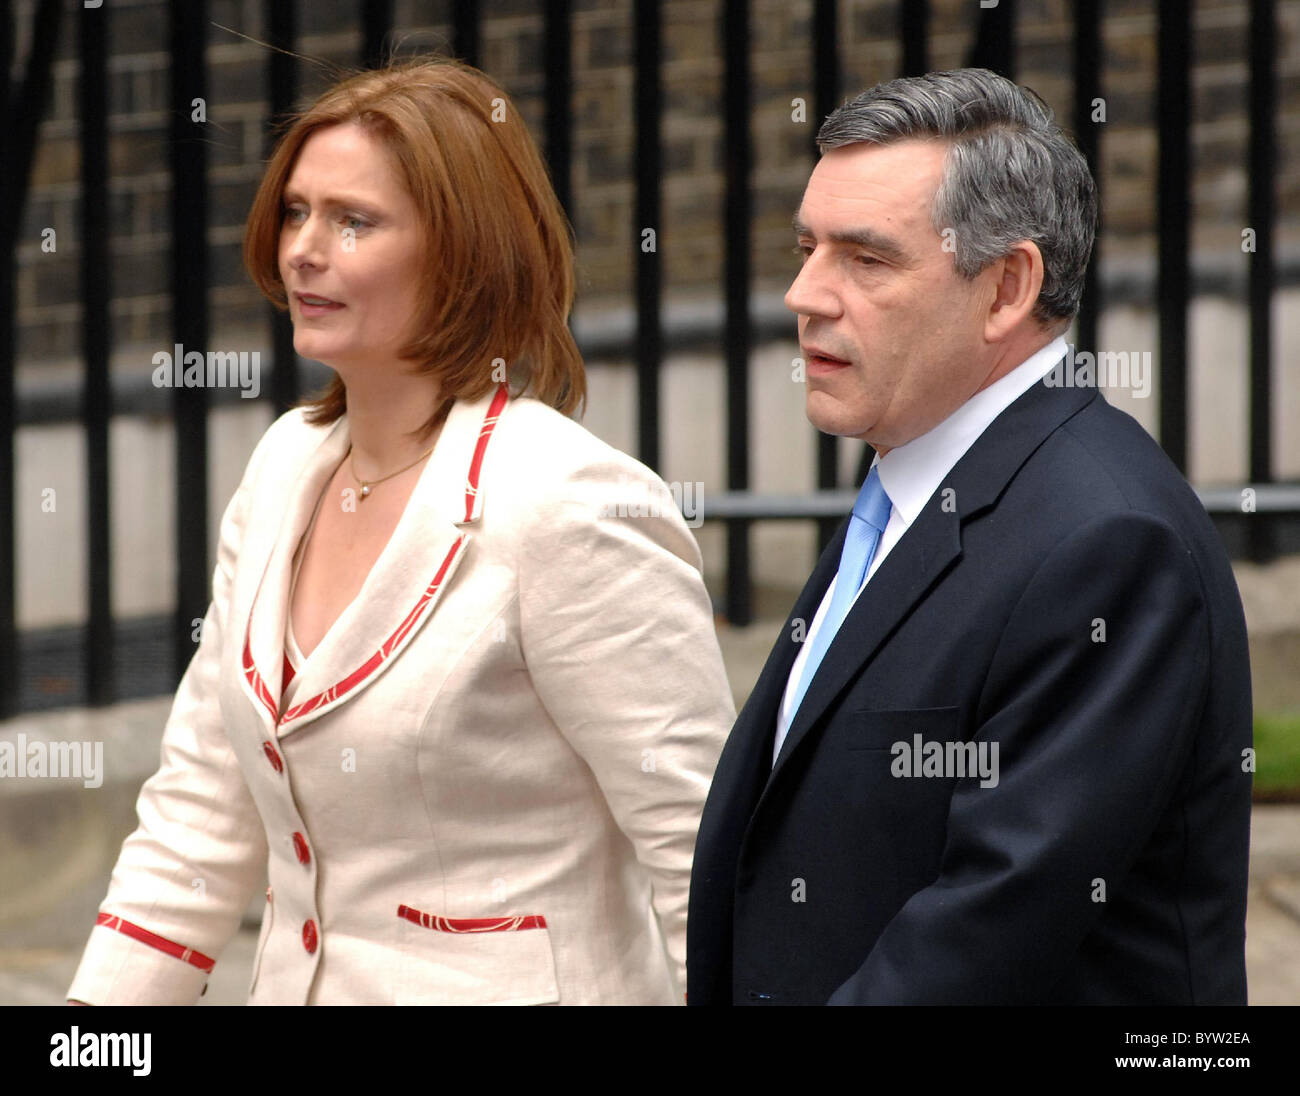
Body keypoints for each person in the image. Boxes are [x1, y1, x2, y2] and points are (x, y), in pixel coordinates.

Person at [67, 57, 734, 1005]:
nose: (303, 248)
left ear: (462, 250)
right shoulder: (285, 465)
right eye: (296, 212)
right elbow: (198, 816)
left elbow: (699, 850)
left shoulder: (566, 501)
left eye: (354, 220)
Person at [687, 68, 1252, 1005]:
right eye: (806, 247)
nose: (804, 293)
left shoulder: (1106, 544)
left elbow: (986, 935)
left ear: (1006, 288)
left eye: (865, 259)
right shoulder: (914, 480)